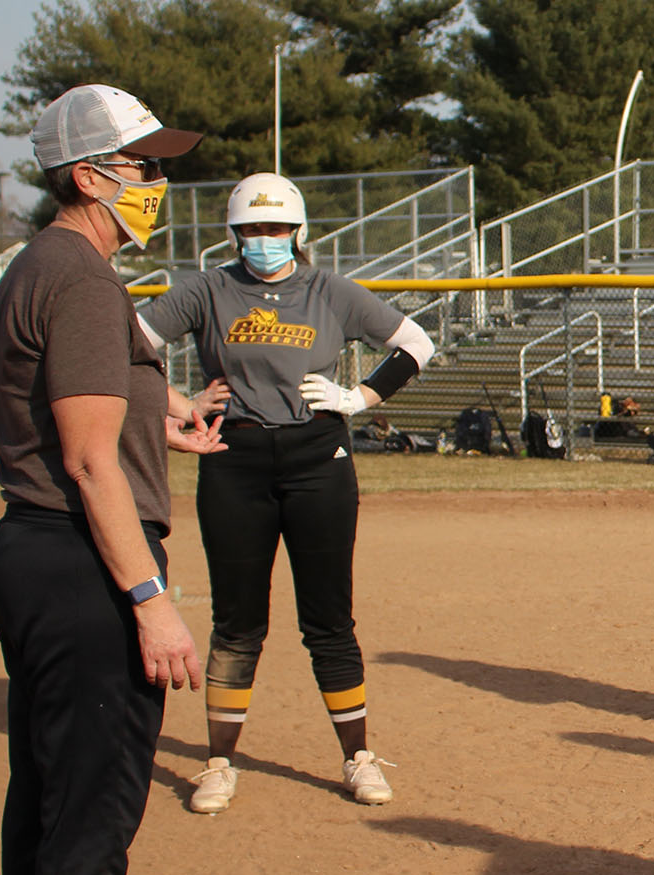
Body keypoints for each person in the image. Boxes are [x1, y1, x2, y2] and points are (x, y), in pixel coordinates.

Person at [0, 84, 217, 875]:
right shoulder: (77, 274)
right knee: (91, 810)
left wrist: (155, 416)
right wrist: (148, 598)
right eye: (144, 166)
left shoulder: (50, 267)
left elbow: (81, 407)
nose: (158, 183)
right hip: (85, 565)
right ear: (89, 177)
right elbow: (84, 463)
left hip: (39, 551)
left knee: (47, 797)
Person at [137, 173, 435, 813]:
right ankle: (219, 763)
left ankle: (357, 756)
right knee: (237, 622)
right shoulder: (210, 289)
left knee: (328, 619)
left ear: (298, 233)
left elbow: (415, 342)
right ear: (233, 234)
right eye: (250, 230)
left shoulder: (329, 291)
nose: (262, 240)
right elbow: (129, 343)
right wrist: (177, 403)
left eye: (274, 229)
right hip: (232, 458)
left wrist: (358, 397)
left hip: (316, 457)